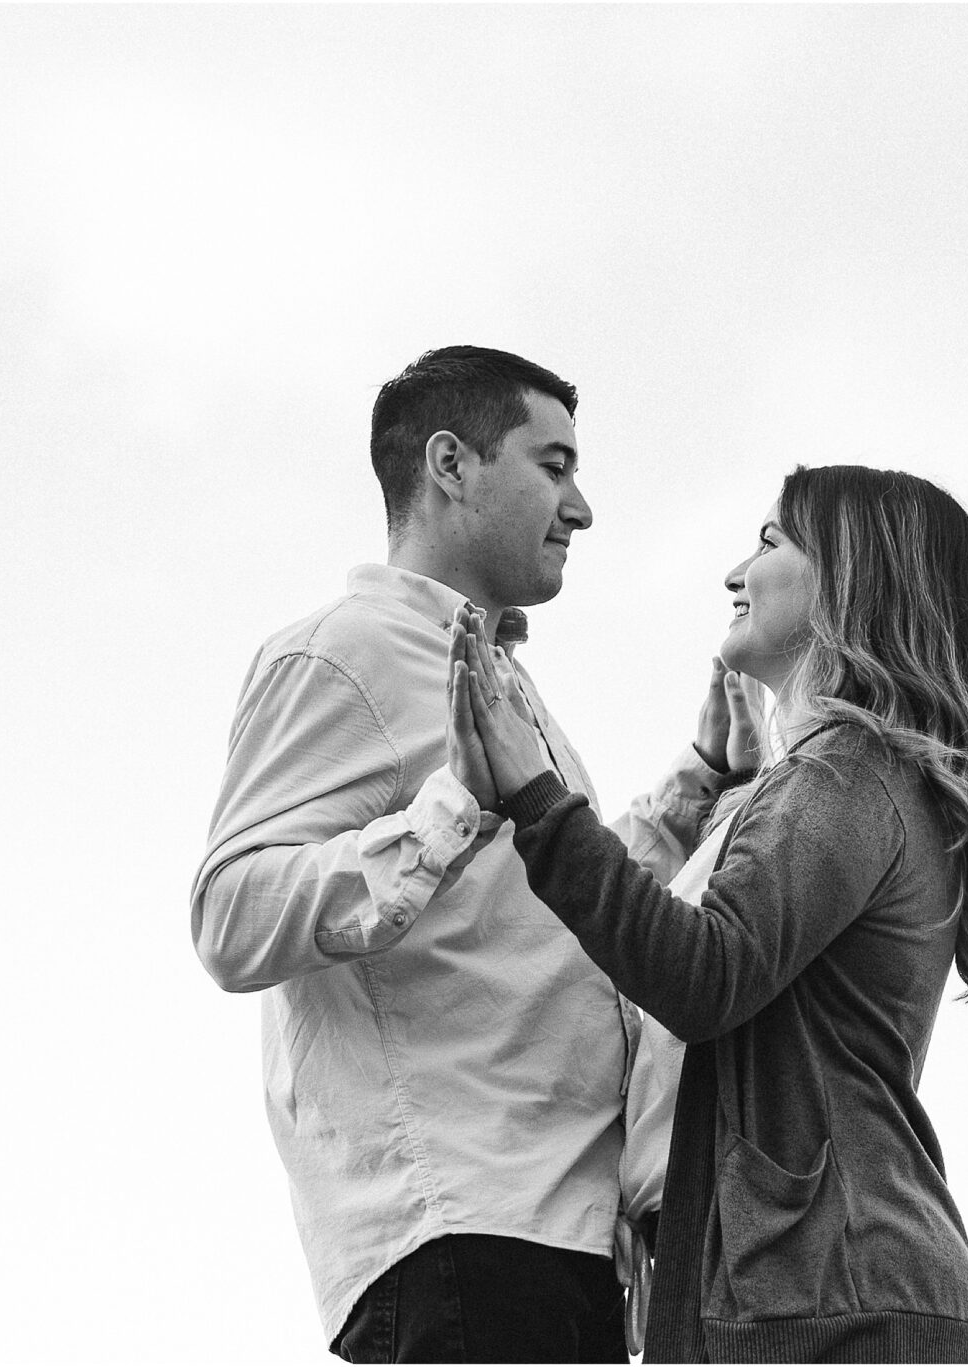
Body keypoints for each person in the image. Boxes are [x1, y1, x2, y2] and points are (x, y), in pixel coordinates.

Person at [190, 345, 756, 1362]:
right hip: (463, 1239)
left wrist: (701, 773)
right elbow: (230, 914)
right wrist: (448, 808)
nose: (580, 505)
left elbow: (538, 917)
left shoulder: (489, 676)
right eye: (553, 464)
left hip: (565, 1249)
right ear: (451, 463)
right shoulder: (342, 650)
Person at [447, 464, 968, 1364]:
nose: (735, 573)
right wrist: (729, 785)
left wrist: (536, 796)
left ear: (848, 575)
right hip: (793, 1291)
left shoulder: (850, 773)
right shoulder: (827, 783)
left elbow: (702, 972)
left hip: (827, 1298)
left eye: (768, 543)